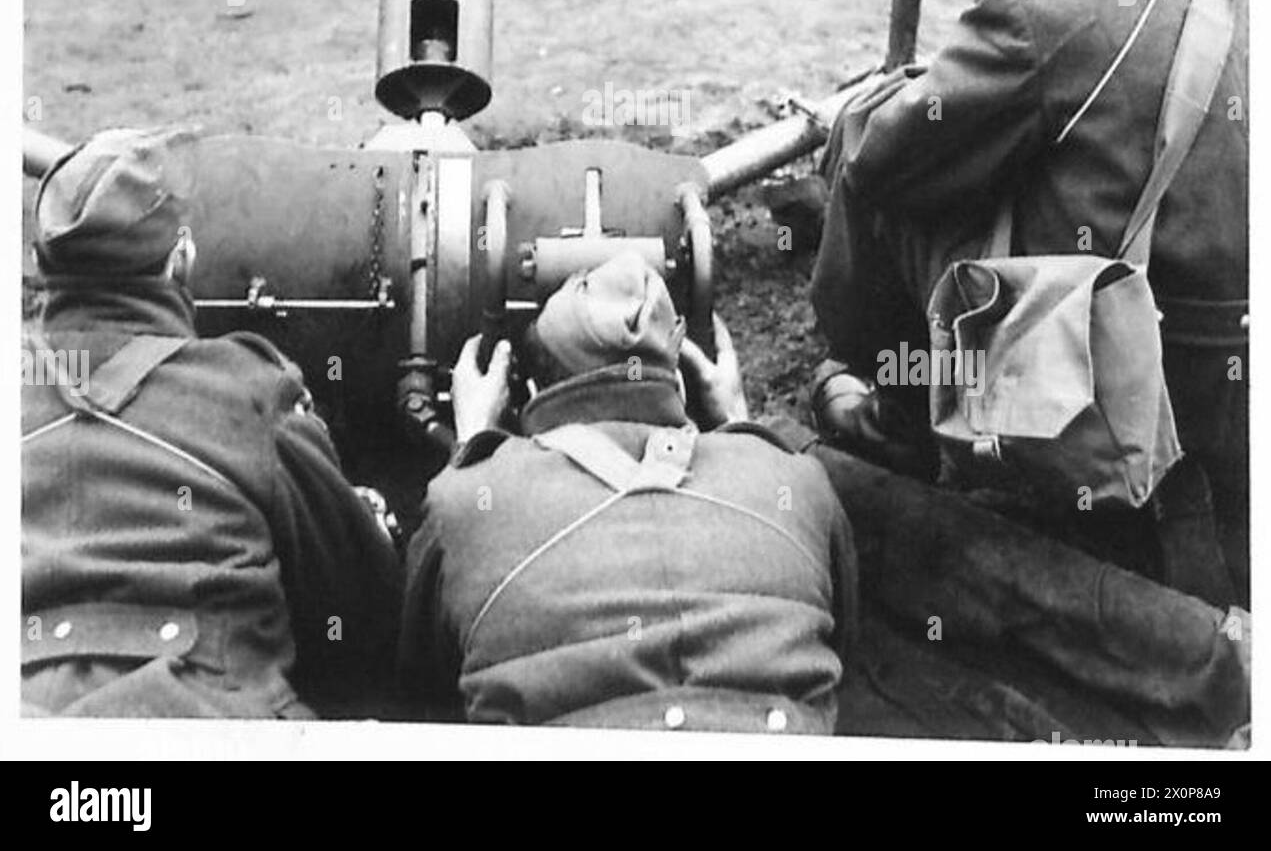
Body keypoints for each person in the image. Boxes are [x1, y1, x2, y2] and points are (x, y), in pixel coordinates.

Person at [810, 0, 1248, 607]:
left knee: (872, 157)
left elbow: (883, 161)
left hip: (1133, 376)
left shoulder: (1035, 5)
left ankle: (896, 418)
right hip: (1239, 351)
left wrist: (871, 105)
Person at [22, 127, 403, 718]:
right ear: (182, 259)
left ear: (42, 262)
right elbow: (360, 605)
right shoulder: (248, 392)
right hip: (216, 725)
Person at [398, 251, 857, 733]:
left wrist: (471, 448)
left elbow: (421, 684)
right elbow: (842, 638)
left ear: (530, 389)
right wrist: (743, 428)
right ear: (682, 378)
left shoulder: (465, 504)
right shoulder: (798, 481)